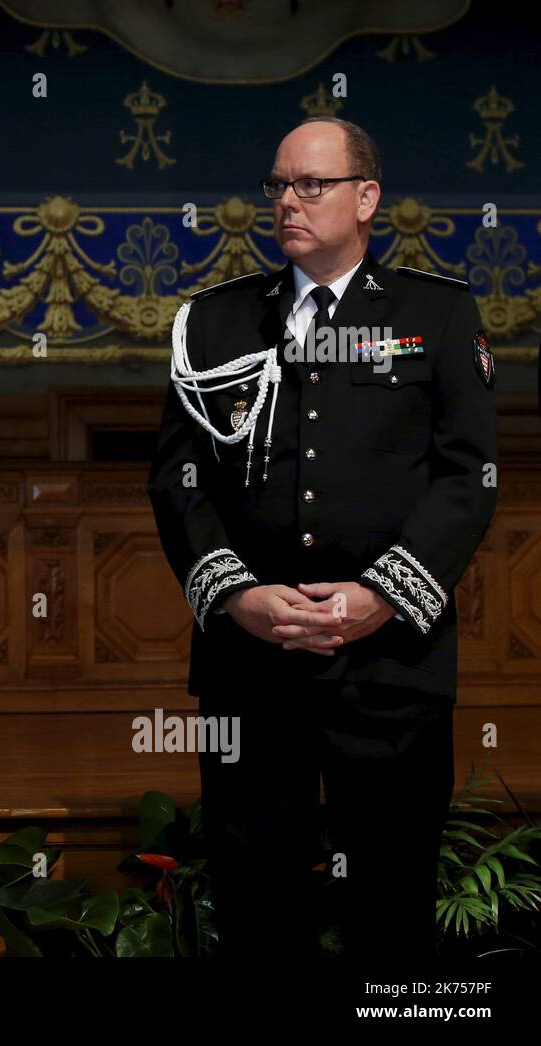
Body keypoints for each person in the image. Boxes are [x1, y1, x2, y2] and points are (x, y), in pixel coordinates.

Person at [148, 116, 498, 959]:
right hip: (250, 664)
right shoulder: (215, 322)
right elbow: (177, 480)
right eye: (277, 185)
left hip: (389, 667)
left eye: (312, 184)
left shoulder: (435, 315)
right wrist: (236, 596)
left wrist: (382, 596)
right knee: (255, 895)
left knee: (391, 895)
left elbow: (467, 476)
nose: (288, 202)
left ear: (366, 197)